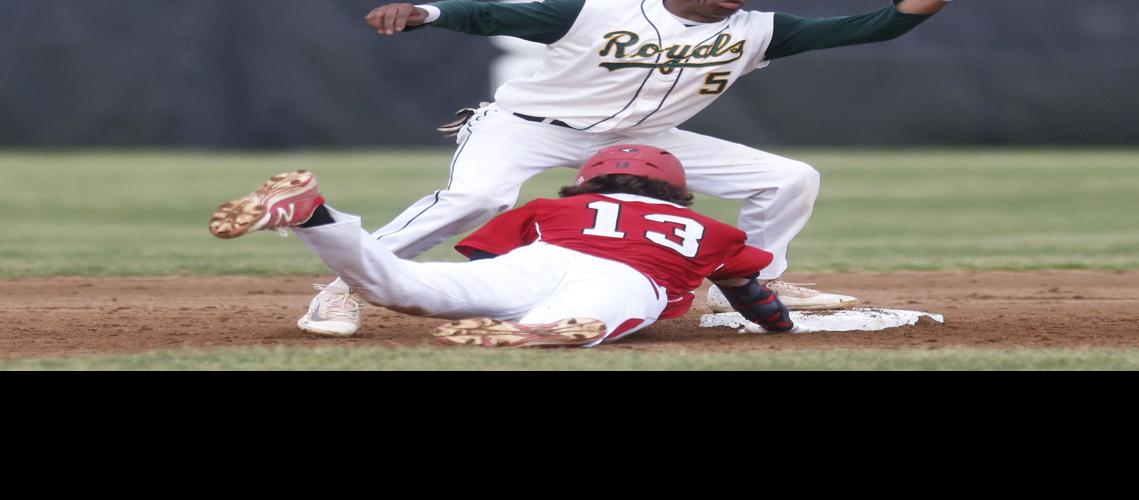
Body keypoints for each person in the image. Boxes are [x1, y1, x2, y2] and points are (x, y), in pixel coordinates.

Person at [296, 0, 951, 337]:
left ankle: (754, 284)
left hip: (646, 138)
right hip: (530, 131)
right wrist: (424, 13)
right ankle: (348, 282)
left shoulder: (760, 28)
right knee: (478, 197)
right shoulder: (600, 10)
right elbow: (494, 14)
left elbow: (880, 26)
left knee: (789, 178)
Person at [209, 145, 796, 347]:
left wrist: (492, 297)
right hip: (630, 278)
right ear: (676, 189)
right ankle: (551, 330)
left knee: (399, 284)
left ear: (588, 182)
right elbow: (749, 292)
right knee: (593, 317)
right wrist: (779, 328)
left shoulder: (553, 207)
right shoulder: (716, 232)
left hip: (538, 261)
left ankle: (317, 216)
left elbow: (488, 258)